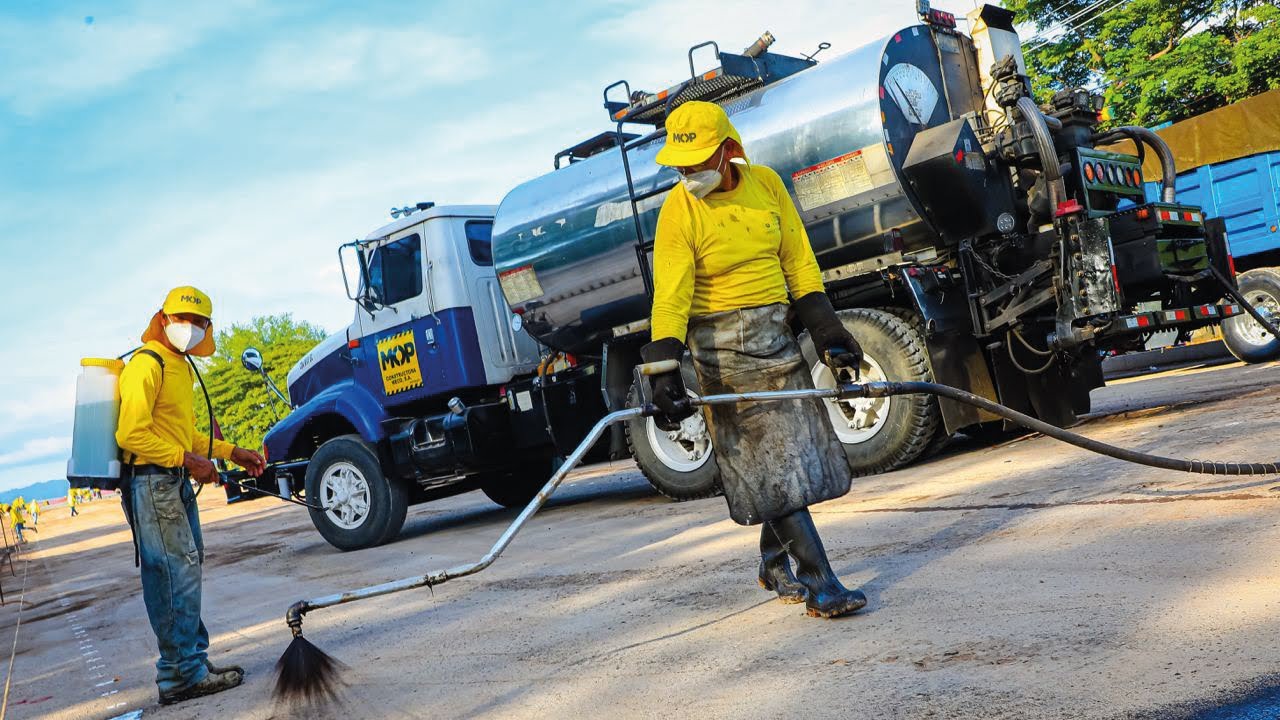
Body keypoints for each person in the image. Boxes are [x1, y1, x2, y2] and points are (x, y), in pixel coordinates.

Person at [641, 101, 868, 619]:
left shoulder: (766, 184)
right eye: (680, 164)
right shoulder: (679, 210)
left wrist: (829, 333)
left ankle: (772, 562)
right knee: (771, 463)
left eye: (697, 160)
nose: (687, 172)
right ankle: (821, 584)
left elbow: (798, 262)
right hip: (719, 349)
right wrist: (663, 369)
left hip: (777, 335)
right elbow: (671, 296)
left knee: (791, 459)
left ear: (729, 151)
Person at [115, 286, 266, 705]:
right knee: (170, 574)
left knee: (187, 570)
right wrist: (187, 460)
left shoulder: (178, 366)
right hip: (152, 482)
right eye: (184, 319)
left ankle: (190, 662)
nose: (192, 328)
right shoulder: (146, 365)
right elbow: (130, 433)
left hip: (172, 480)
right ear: (162, 319)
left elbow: (185, 434)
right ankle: (181, 673)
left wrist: (228, 450)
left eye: (200, 322)